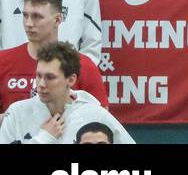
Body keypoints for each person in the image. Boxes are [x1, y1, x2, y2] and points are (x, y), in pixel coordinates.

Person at [0, 43, 132, 145]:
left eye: (49, 77)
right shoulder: (17, 112)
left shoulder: (95, 114)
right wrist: (43, 139)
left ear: (71, 80)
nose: (40, 84)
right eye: (38, 76)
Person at [0, 0, 107, 111]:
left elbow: (101, 121)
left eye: (36, 16)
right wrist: (17, 120)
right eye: (25, 15)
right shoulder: (3, 62)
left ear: (57, 19)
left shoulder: (82, 65)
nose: (28, 23)